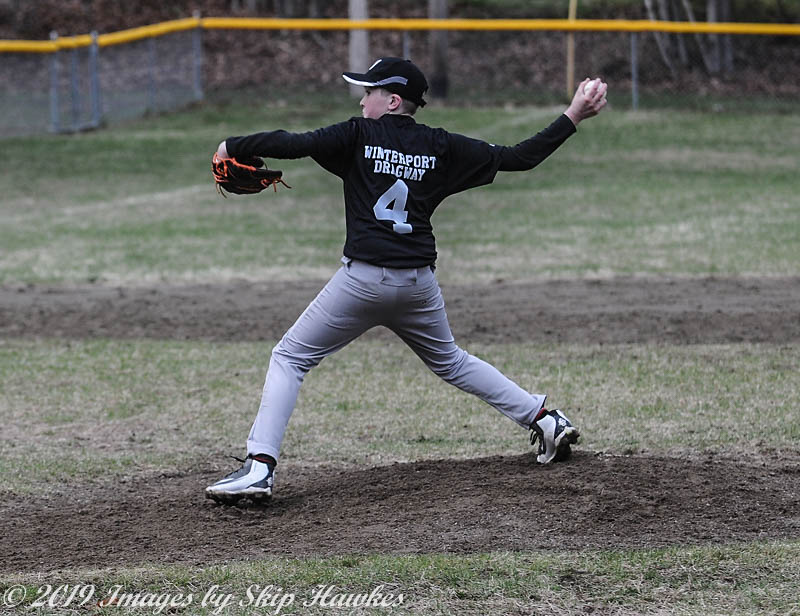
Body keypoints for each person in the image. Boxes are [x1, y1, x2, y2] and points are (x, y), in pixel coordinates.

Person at [205, 57, 608, 504]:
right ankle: (544, 418)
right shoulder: (440, 146)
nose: (361, 100)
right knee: (452, 361)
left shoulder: (355, 136)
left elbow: (290, 143)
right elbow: (519, 157)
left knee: (289, 357)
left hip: (362, 282)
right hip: (418, 285)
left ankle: (258, 468)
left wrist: (231, 144)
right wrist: (573, 115)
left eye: (369, 92)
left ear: (393, 100)